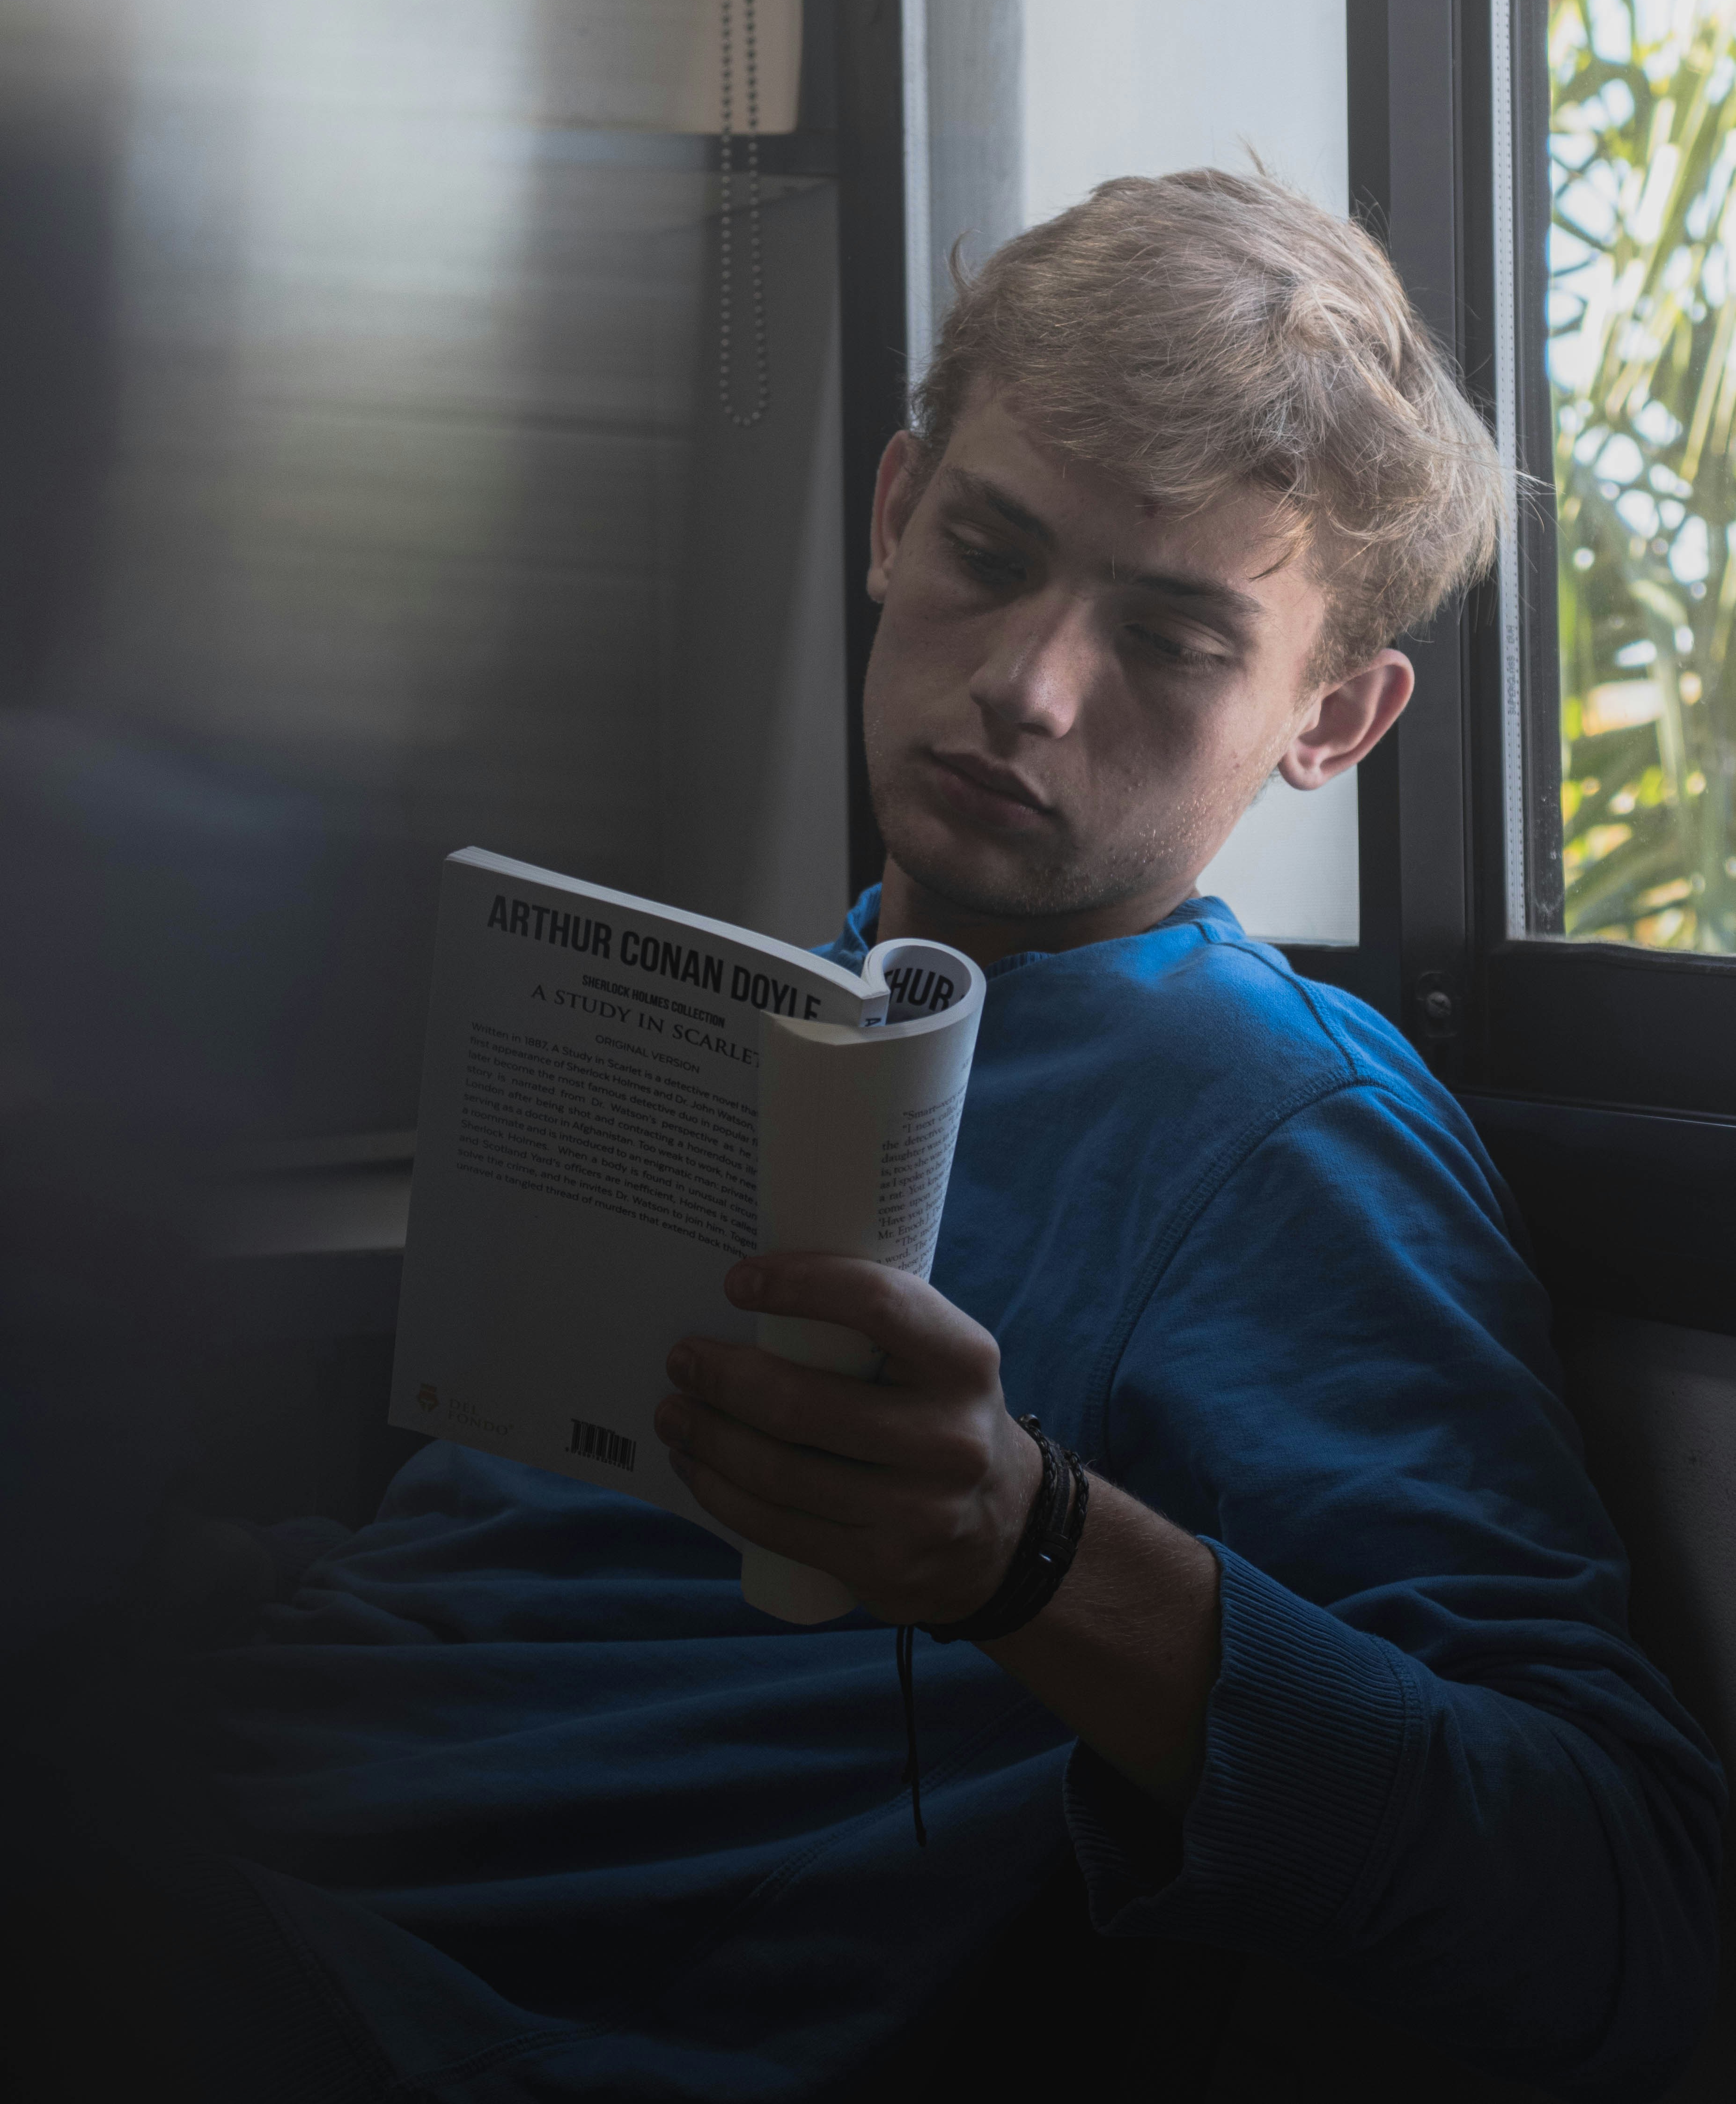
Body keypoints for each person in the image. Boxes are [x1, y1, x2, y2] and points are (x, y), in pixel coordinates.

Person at [25, 171, 1723, 2103]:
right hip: (205, 1803)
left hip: (412, 1996)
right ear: (894, 512)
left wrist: (1027, 1543)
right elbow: (534, 1595)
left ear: (1331, 718)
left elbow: (1622, 1905)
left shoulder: (1285, 1127)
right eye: (988, 552)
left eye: (1173, 640)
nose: (1026, 686)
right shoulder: (780, 1011)